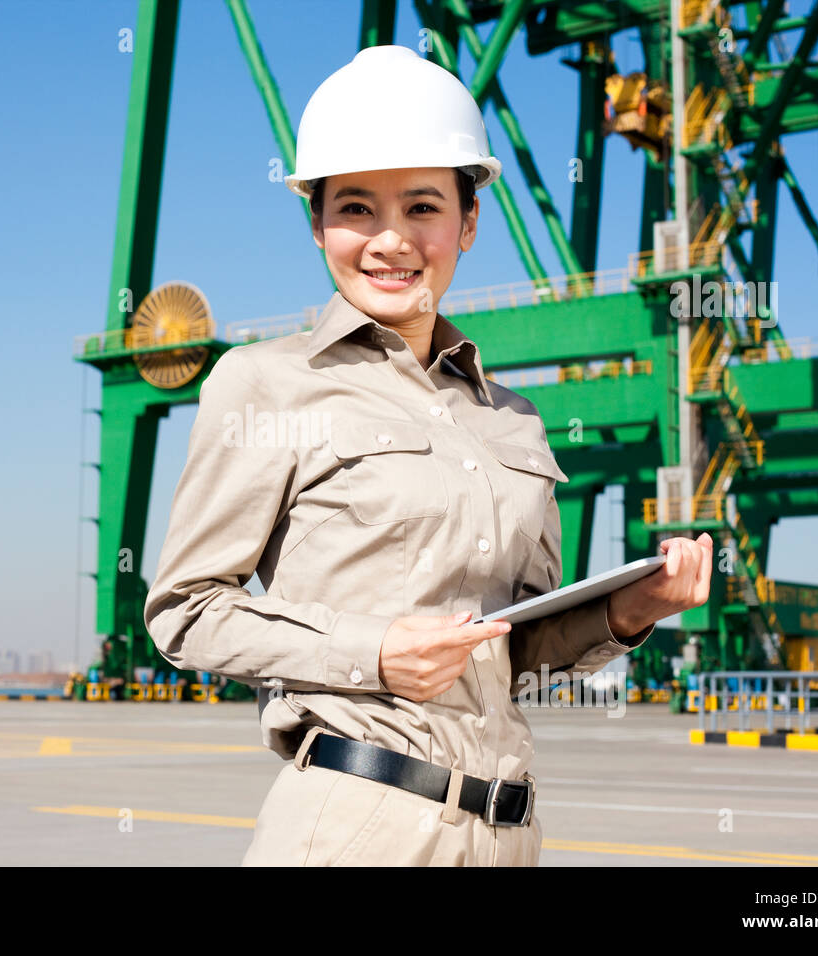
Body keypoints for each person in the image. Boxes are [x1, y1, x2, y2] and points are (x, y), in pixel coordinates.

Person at [144, 45, 712, 866]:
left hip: (507, 834)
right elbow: (185, 610)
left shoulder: (514, 421)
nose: (389, 241)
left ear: (468, 222)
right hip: (355, 821)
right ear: (316, 222)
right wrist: (372, 652)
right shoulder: (267, 383)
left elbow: (517, 654)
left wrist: (631, 611)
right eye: (356, 210)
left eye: (421, 208)